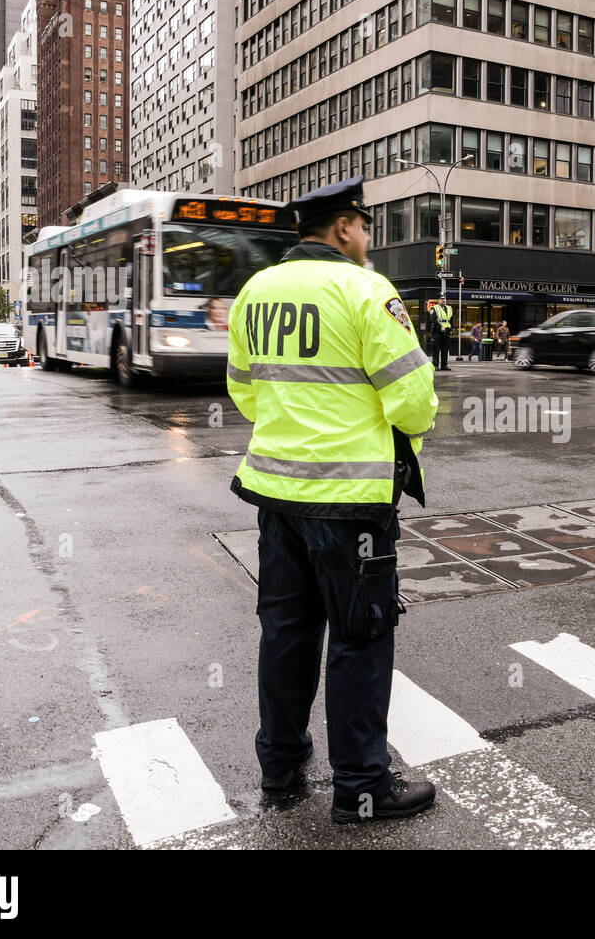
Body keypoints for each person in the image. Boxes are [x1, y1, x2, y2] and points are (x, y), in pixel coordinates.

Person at [226, 176, 439, 824]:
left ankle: (280, 765)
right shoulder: (364, 289)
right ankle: (363, 788)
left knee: (286, 632)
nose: (368, 238)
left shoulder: (255, 292)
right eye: (365, 226)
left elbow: (243, 388)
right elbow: (414, 396)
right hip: (350, 507)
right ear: (345, 227)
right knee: (360, 635)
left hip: (276, 497)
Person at [429, 300, 452, 371]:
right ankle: (435, 365)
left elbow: (450, 319)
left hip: (447, 331)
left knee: (445, 349)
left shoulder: (449, 308)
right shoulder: (434, 308)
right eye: (441, 299)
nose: (443, 300)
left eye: (444, 299)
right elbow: (433, 319)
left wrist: (451, 328)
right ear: (438, 300)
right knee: (436, 349)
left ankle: (444, 365)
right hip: (437, 331)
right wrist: (440, 326)